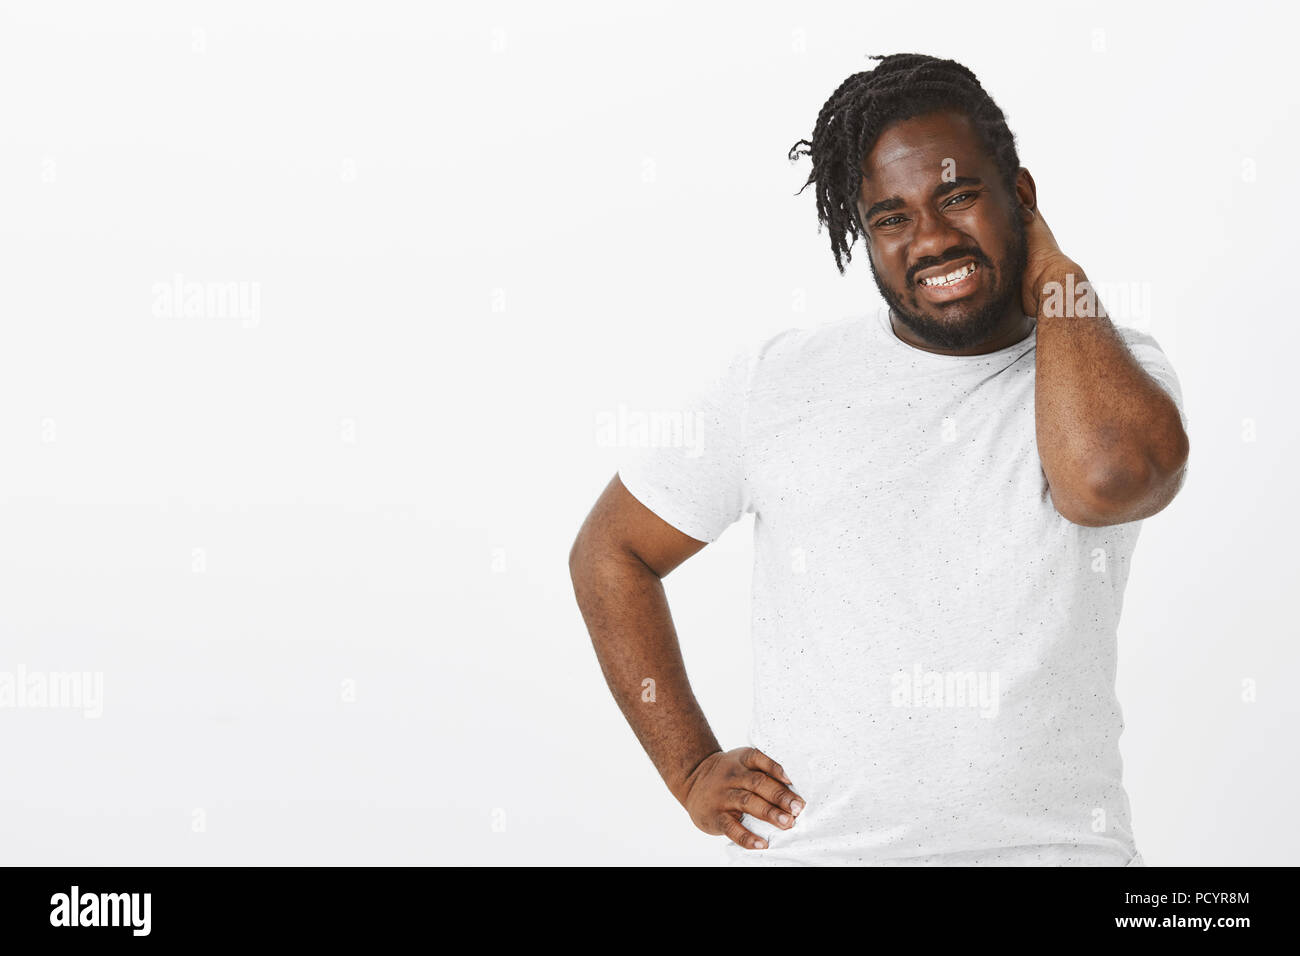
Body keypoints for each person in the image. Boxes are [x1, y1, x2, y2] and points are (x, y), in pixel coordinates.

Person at [568, 53, 1188, 866]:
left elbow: (1108, 479)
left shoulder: (1111, 365)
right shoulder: (776, 381)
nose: (930, 239)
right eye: (890, 218)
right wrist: (690, 767)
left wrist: (1057, 272)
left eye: (958, 196)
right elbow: (611, 553)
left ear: (1023, 198)